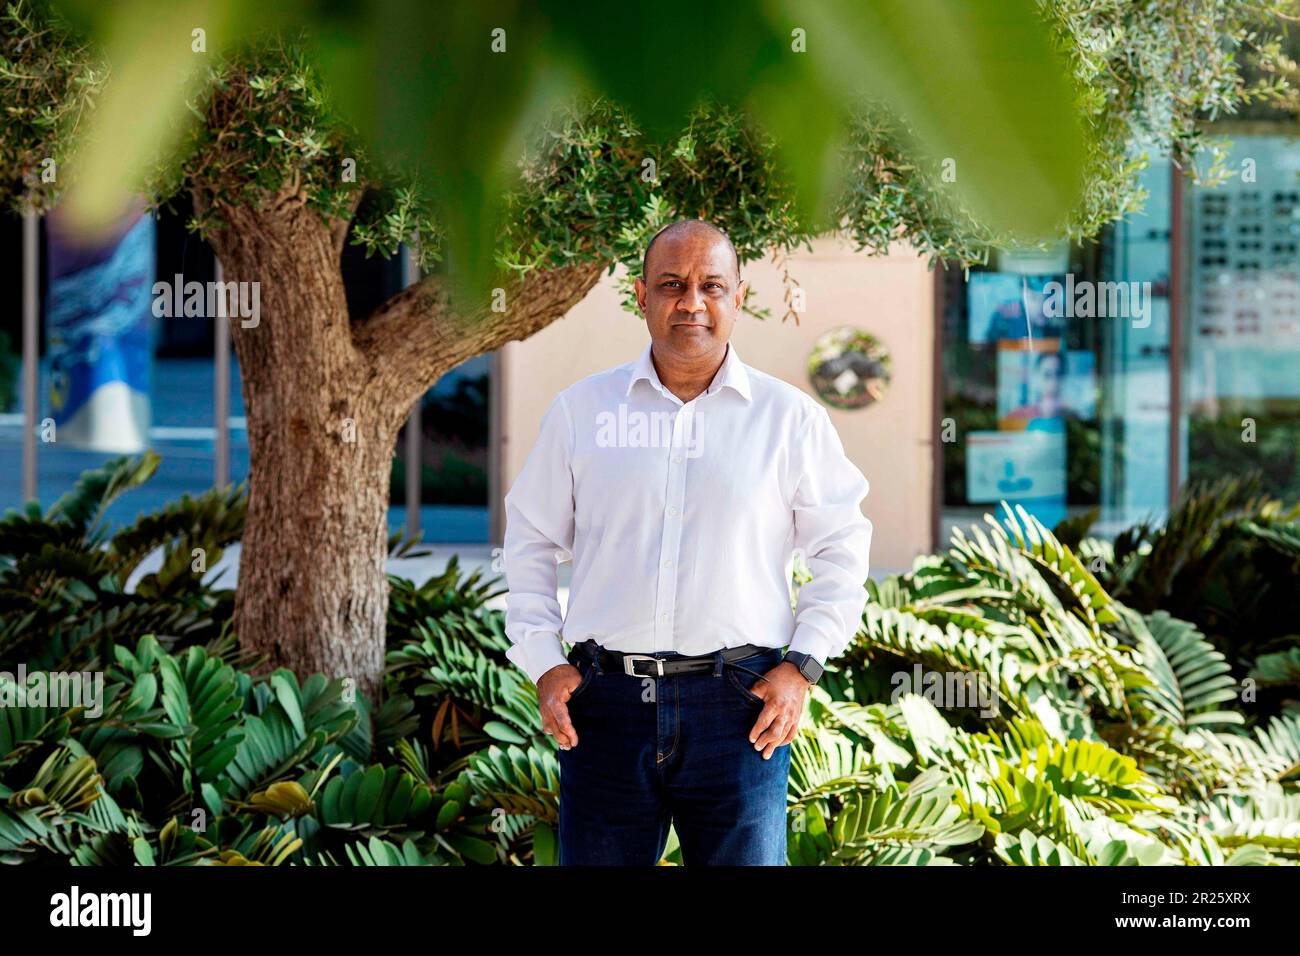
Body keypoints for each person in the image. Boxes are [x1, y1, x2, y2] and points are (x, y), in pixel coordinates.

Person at [502, 219, 873, 865]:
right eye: (672, 285)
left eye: (711, 286)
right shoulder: (581, 413)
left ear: (739, 297)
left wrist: (803, 667)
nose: (691, 303)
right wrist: (542, 658)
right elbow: (529, 543)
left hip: (741, 708)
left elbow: (841, 548)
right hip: (606, 702)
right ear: (641, 296)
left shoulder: (790, 420)